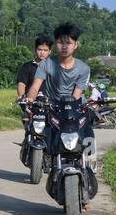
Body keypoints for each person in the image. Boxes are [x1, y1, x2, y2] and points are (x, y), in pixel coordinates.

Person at [24, 21, 95, 157]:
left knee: (87, 130)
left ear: (75, 45)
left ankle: (90, 163)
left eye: (68, 43)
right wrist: (30, 99)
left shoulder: (84, 68)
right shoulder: (46, 64)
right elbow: (34, 87)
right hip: (53, 107)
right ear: (55, 45)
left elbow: (76, 95)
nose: (64, 46)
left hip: (75, 107)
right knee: (42, 132)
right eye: (60, 42)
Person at [15, 34, 53, 101]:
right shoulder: (27, 66)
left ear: (50, 51)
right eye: (40, 49)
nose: (42, 52)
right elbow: (21, 84)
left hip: (50, 102)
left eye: (45, 50)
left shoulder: (54, 67)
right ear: (35, 50)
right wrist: (22, 97)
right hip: (31, 102)